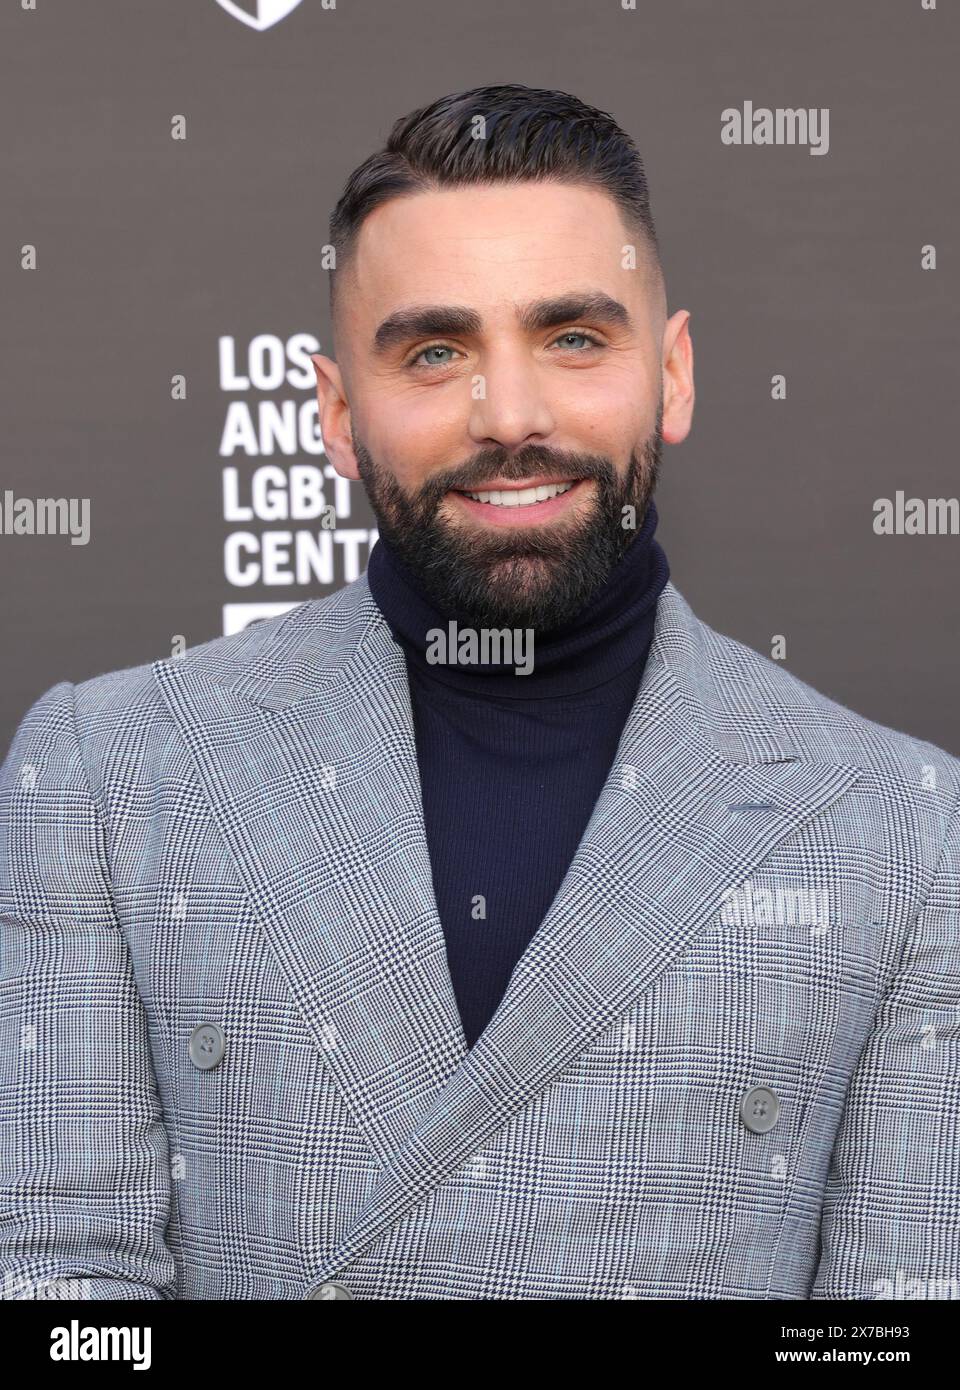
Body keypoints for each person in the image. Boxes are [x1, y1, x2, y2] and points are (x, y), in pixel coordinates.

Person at [1, 84, 958, 1302]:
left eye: (573, 339)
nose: (509, 416)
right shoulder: (106, 771)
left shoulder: (910, 830)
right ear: (339, 414)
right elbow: (57, 1302)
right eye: (436, 351)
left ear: (672, 375)